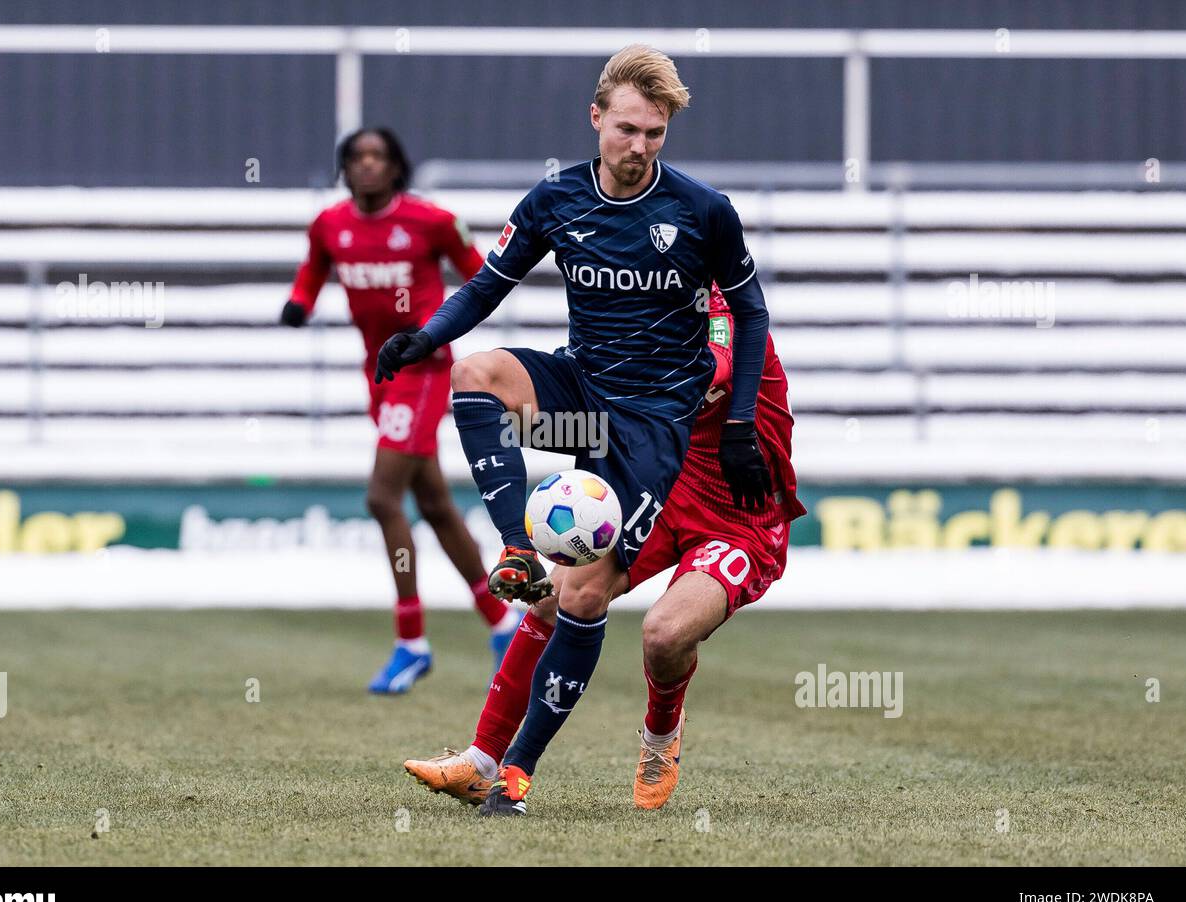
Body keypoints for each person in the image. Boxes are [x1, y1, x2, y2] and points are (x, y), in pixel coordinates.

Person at [377, 45, 775, 812]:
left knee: (583, 596)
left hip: (651, 427)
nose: (640, 147)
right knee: (475, 374)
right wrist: (427, 339)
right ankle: (517, 547)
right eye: (628, 129)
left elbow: (750, 312)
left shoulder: (702, 210)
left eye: (655, 133)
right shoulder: (558, 199)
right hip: (582, 396)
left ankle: (513, 774)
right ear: (595, 118)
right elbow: (488, 285)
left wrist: (741, 423)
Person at [404, 288, 806, 813]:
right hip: (657, 488)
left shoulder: (720, 310)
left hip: (737, 518)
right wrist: (520, 416)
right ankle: (485, 763)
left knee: (663, 636)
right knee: (559, 596)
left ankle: (662, 735)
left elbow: (714, 365)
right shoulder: (630, 294)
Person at [281, 127, 520, 695]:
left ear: (395, 167)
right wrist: (299, 301)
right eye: (356, 158)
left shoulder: (431, 221)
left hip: (424, 368)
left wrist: (444, 320)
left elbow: (482, 275)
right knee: (435, 505)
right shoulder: (330, 225)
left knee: (381, 497)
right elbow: (316, 265)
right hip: (380, 375)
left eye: (377, 156)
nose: (366, 165)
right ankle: (503, 621)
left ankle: (411, 641)